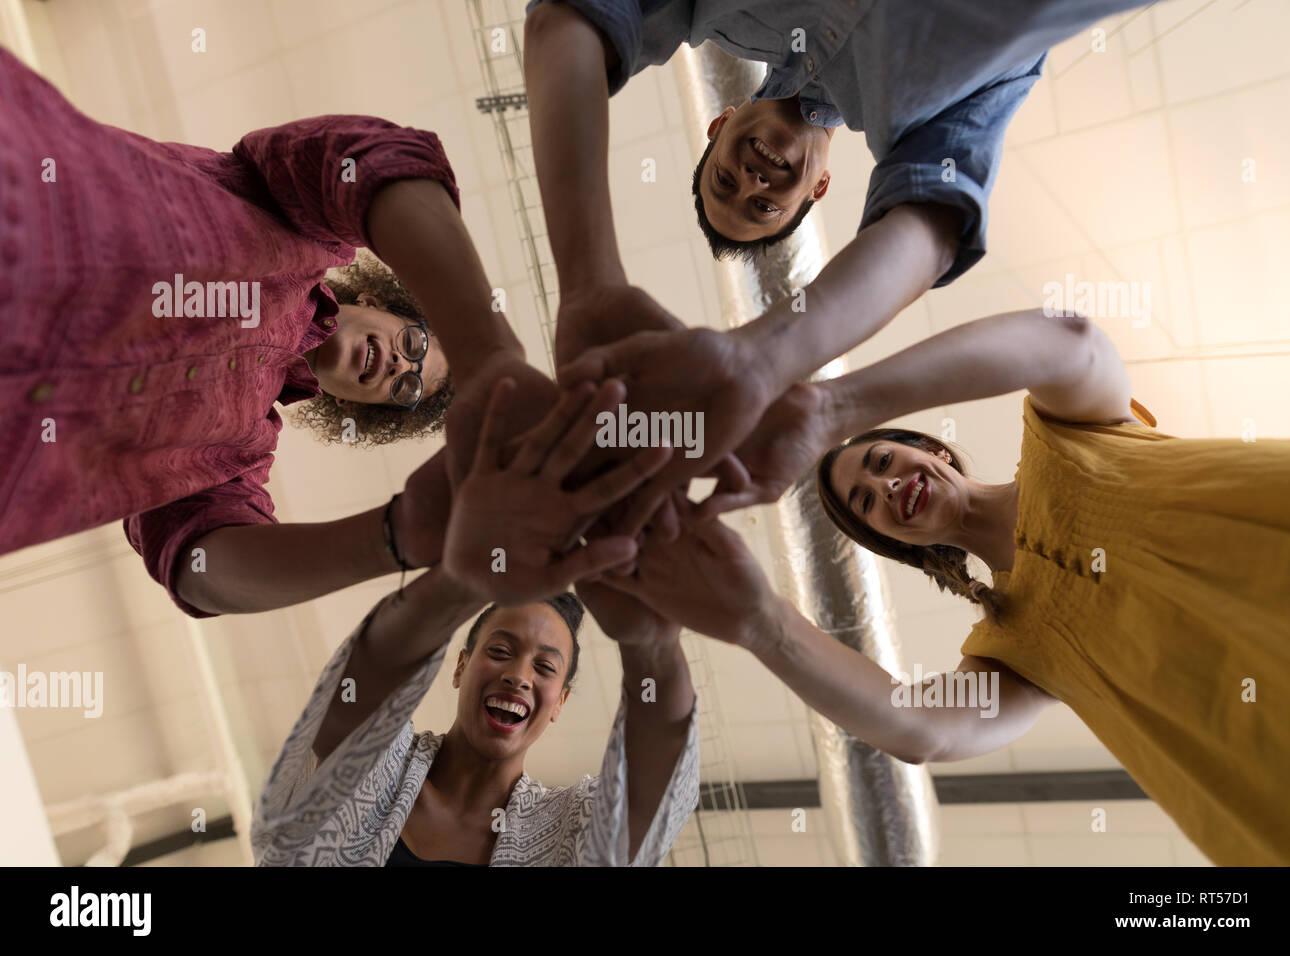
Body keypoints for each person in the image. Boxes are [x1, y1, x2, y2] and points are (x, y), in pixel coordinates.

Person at [598, 309, 1290, 865]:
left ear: (930, 450)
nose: (883, 485)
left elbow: (1072, 341)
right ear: (903, 544)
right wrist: (759, 620)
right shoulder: (1013, 653)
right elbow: (919, 729)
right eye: (868, 505)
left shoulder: (1069, 438)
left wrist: (833, 410)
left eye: (879, 461)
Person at [0, 47, 621, 617]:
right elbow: (376, 155)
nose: (399, 368)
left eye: (406, 388)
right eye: (414, 345)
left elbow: (198, 567)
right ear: (380, 302)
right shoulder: (298, 229)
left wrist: (401, 535)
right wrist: (491, 357)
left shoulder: (233, 458)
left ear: (361, 407)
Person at [521, 0, 1165, 537]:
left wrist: (588, 285)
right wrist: (762, 361)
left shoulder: (708, 12)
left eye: (724, 181)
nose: (750, 181)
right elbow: (930, 228)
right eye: (765, 205)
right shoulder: (939, 121)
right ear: (820, 189)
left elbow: (567, 16)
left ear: (719, 123)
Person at [253, 380, 698, 866]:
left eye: (546, 668)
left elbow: (658, 795)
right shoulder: (380, 768)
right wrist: (472, 569)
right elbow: (353, 697)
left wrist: (650, 642)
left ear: (560, 703)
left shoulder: (567, 831)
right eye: (500, 651)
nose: (518, 675)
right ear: (461, 666)